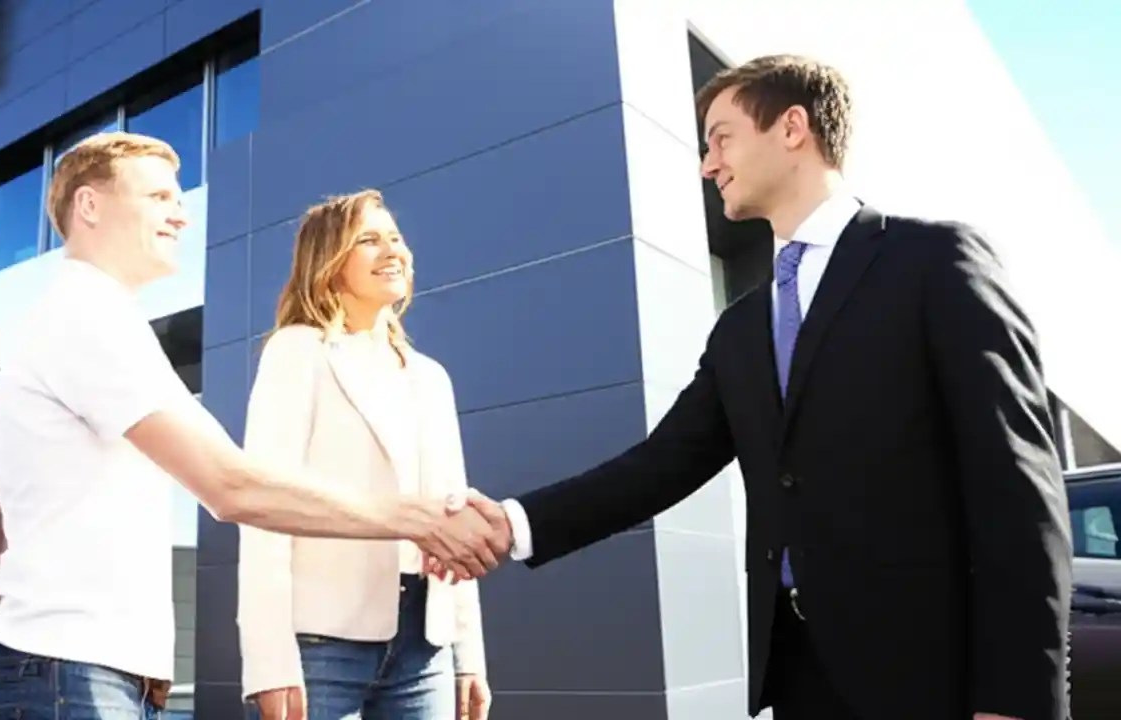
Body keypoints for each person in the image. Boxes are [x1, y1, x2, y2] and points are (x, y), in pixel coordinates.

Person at [447, 55, 1073, 720]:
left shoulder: (934, 263)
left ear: (793, 128)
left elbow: (1018, 490)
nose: (707, 164)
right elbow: (659, 467)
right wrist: (511, 525)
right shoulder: (742, 328)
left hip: (933, 678)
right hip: (799, 676)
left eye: (721, 138)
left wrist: (1017, 699)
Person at [0, 132, 501, 719]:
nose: (181, 214)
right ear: (89, 206)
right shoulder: (88, 319)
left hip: (78, 669)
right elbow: (232, 486)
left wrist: (17, 664)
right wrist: (412, 518)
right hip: (73, 672)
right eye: (160, 196)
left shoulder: (87, 320)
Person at [238, 189, 491, 720]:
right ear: (328, 263)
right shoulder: (297, 352)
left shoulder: (431, 377)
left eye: (395, 239)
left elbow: (453, 515)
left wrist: (468, 655)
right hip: (319, 643)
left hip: (426, 642)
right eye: (369, 241)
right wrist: (269, 660)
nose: (392, 251)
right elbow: (263, 509)